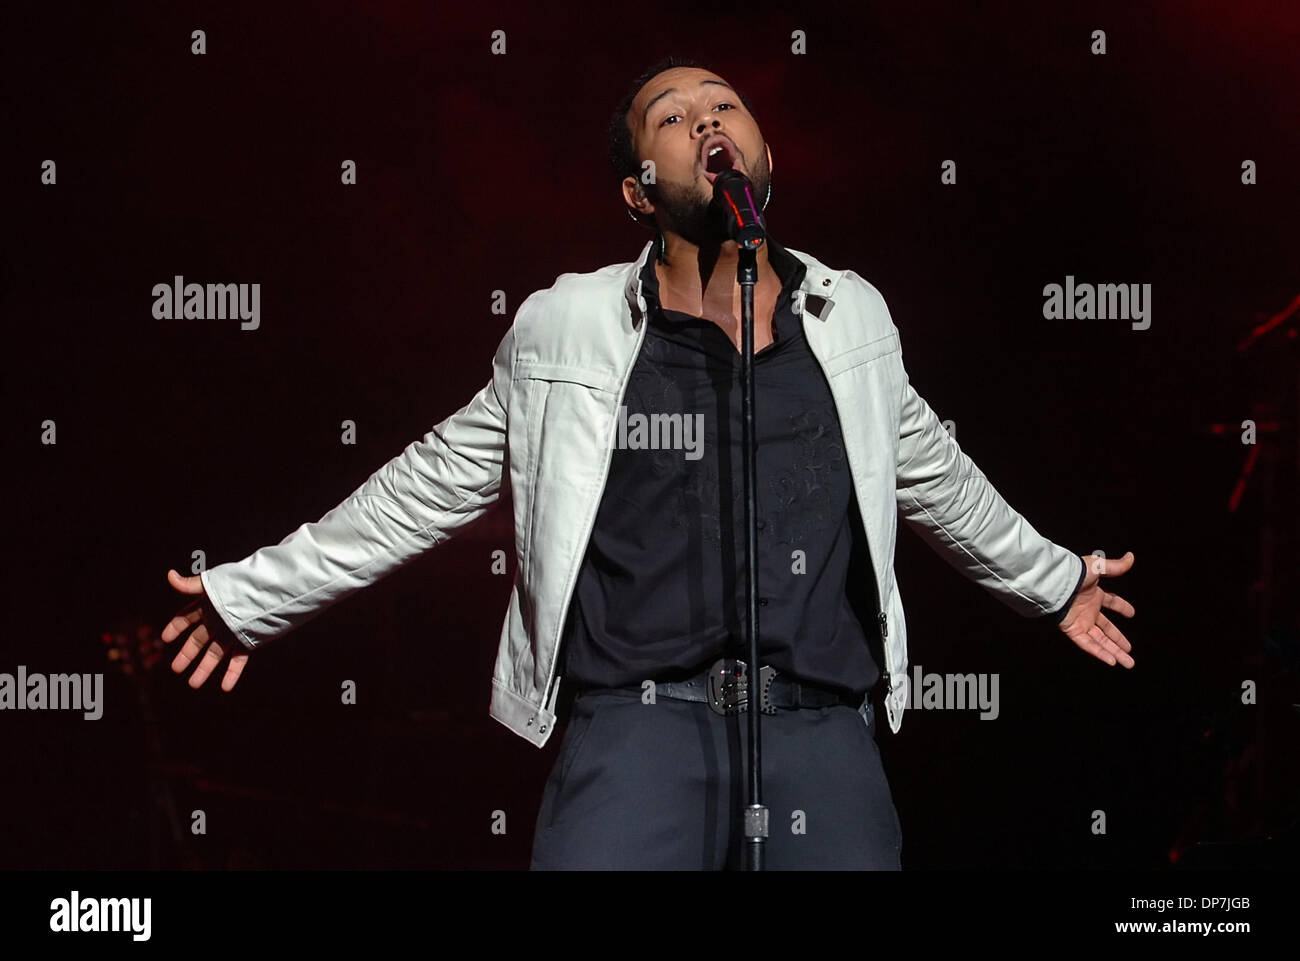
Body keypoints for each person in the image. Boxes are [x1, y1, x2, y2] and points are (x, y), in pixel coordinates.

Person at [162, 56, 1137, 870]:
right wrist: (257, 594)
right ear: (637, 187)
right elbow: (422, 488)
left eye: (724, 105)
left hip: (820, 734)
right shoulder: (567, 329)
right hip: (635, 735)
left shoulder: (852, 319)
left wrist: (1051, 580)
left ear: (764, 154)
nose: (706, 119)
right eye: (672, 115)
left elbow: (931, 469)